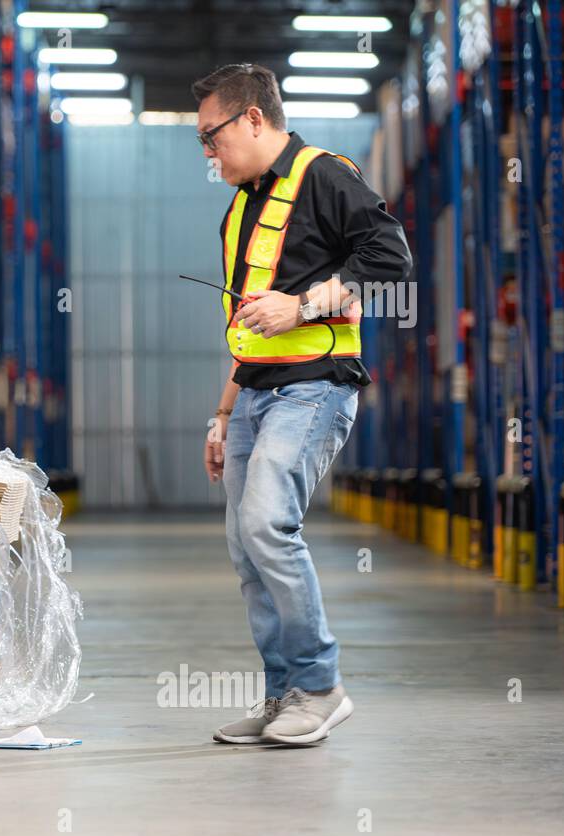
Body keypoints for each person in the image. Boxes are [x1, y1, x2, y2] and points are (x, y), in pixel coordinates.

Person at [192, 64, 412, 745]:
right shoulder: (243, 208)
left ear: (254, 119)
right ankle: (284, 694)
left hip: (314, 386)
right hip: (255, 395)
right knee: (245, 546)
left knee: (265, 524)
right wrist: (222, 414)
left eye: (213, 135)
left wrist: (306, 303)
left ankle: (320, 685)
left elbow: (391, 256)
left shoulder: (324, 175)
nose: (208, 152)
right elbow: (247, 325)